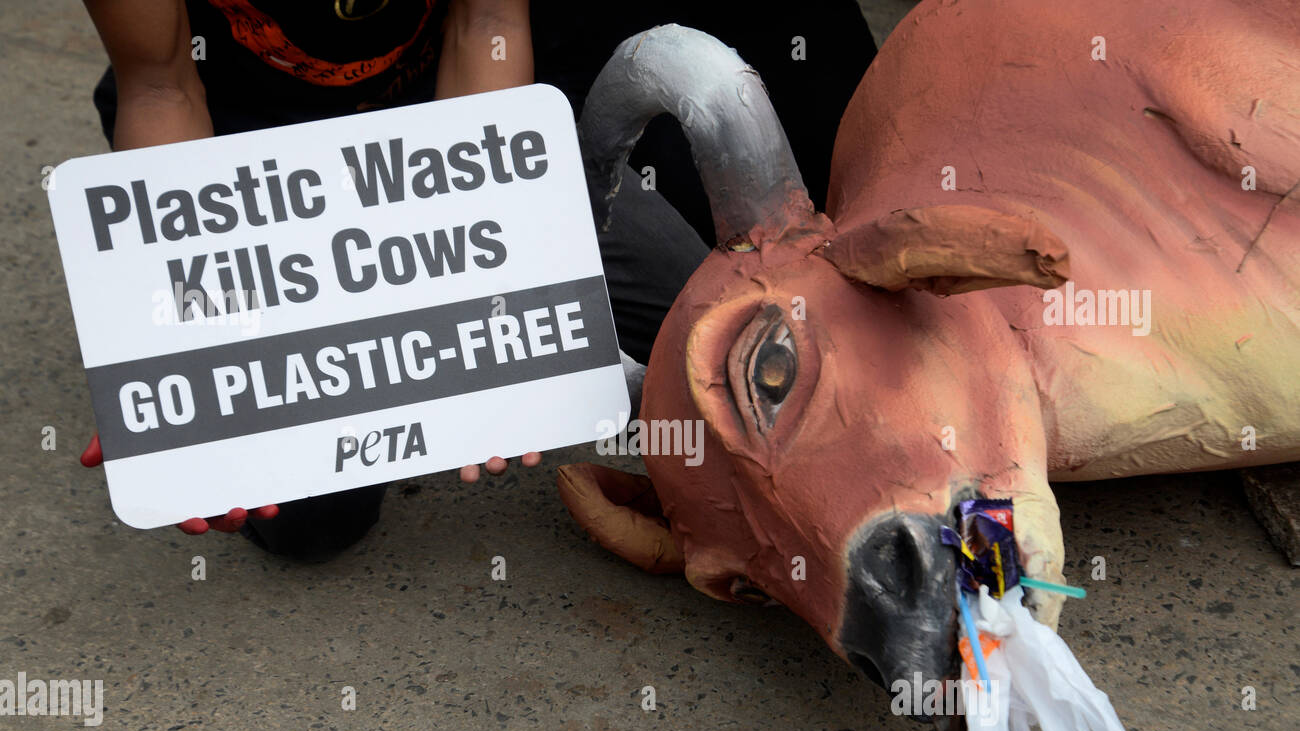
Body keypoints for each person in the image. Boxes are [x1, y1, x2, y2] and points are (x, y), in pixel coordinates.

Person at [77, 0, 875, 558]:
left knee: (707, 329)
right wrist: (188, 355)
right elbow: (159, 87)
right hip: (257, 171)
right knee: (313, 520)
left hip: (436, 136)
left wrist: (472, 323)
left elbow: (485, 25)